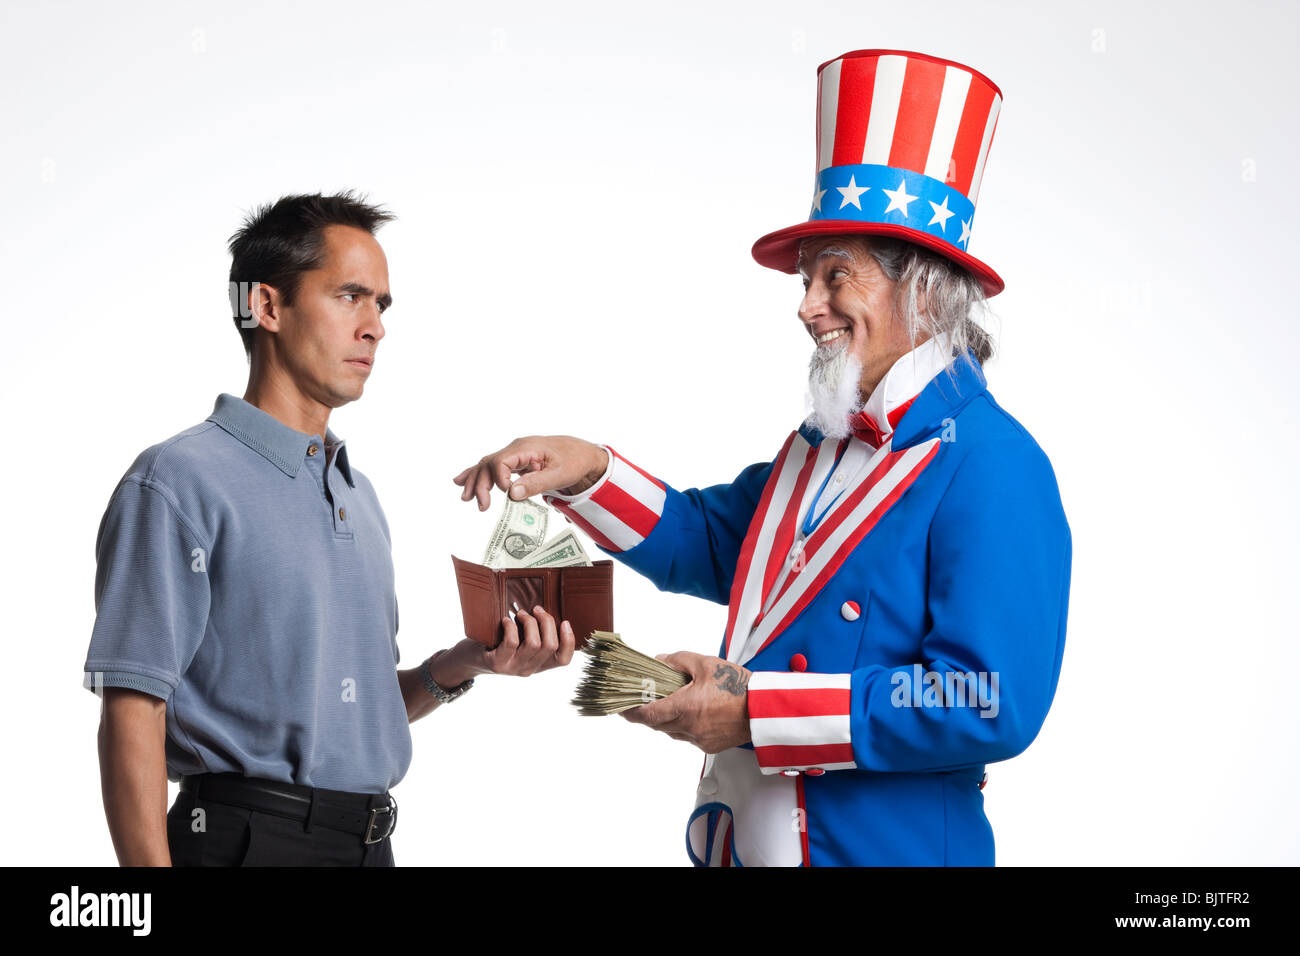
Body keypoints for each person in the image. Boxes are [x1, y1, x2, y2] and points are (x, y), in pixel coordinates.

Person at [453, 49, 1072, 866]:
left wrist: (755, 712)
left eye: (834, 277)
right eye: (807, 280)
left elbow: (987, 699)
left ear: (922, 289)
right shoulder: (817, 444)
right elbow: (713, 544)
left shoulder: (995, 464)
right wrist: (588, 470)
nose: (807, 306)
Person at [83, 191, 575, 867]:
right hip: (242, 843)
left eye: (382, 305)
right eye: (350, 296)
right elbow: (132, 709)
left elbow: (350, 713)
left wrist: (465, 663)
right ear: (267, 307)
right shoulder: (176, 481)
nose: (375, 327)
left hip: (370, 844)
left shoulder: (359, 495)